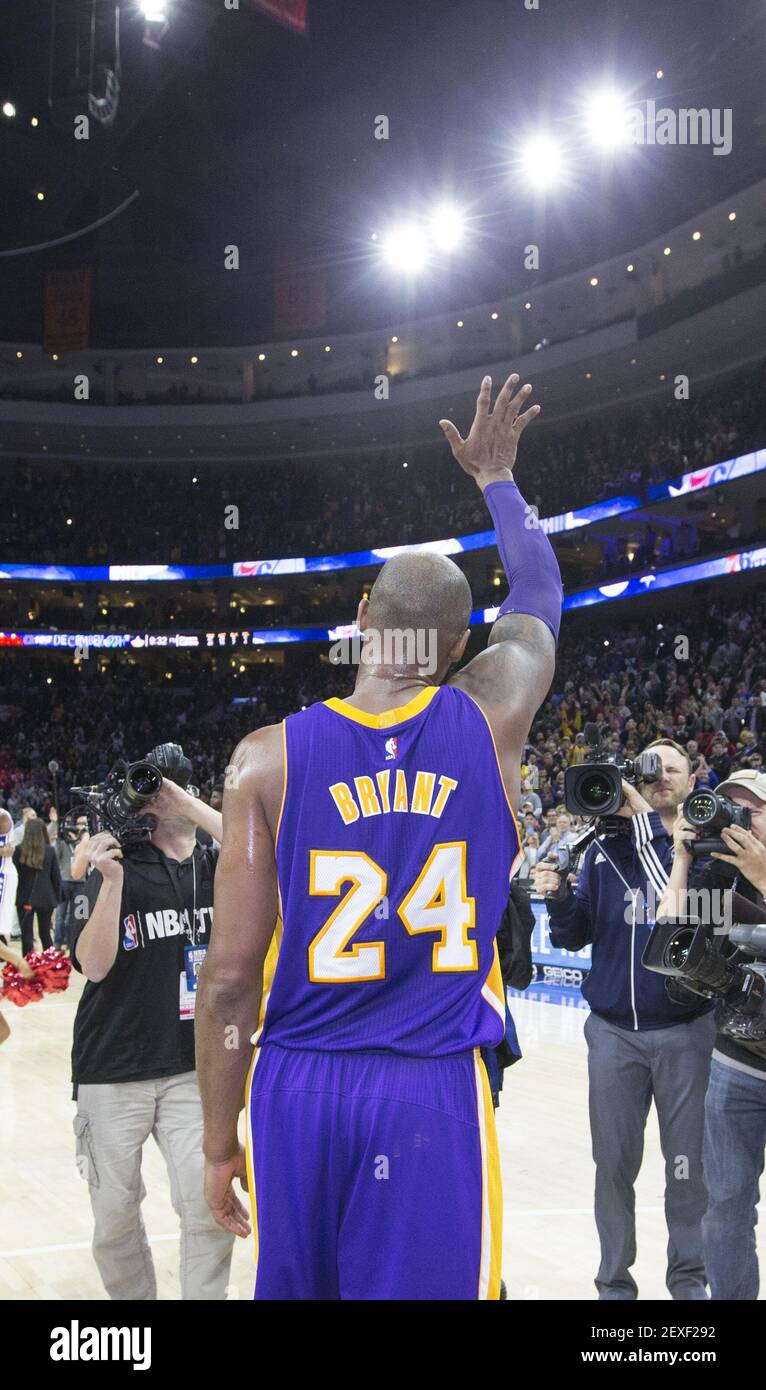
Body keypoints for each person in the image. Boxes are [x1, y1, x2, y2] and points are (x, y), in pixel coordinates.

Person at [196, 371, 562, 1300]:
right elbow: (541, 588)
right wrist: (496, 480)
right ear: (456, 647)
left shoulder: (263, 762)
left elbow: (232, 981)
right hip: (430, 1089)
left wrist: (215, 1141)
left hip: (297, 1087)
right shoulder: (492, 716)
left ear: (363, 616)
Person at [533, 739, 717, 1301]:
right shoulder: (601, 848)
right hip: (613, 1032)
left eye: (673, 767)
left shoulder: (703, 847)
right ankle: (614, 1287)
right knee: (611, 1167)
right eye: (649, 767)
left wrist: (643, 827)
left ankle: (688, 1284)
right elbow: (573, 934)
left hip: (686, 1031)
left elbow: (677, 918)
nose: (659, 776)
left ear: (693, 779)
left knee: (687, 1171)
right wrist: (560, 897)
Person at [71, 747, 234, 1301]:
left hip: (194, 1066)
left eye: (176, 786)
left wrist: (184, 801)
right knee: (114, 1218)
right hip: (112, 1066)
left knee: (207, 1205)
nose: (164, 793)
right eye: (155, 787)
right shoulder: (114, 859)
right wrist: (110, 883)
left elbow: (268, 846)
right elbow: (92, 966)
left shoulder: (217, 863)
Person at [659, 767, 766, 1300]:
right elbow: (665, 940)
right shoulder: (718, 878)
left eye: (753, 811)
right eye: (732, 809)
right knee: (725, 1206)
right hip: (738, 1062)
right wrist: (682, 859)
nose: (740, 820)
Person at [13, 818, 61, 954]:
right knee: (45, 934)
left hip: (25, 898)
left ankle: (28, 965)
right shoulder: (50, 851)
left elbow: (16, 875)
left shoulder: (18, 851)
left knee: (26, 936)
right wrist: (56, 899)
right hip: (46, 898)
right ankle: (51, 965)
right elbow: (56, 878)